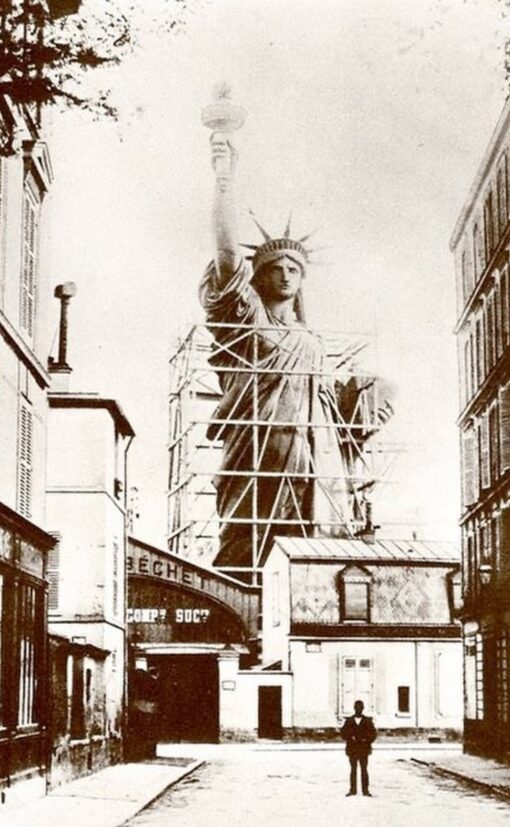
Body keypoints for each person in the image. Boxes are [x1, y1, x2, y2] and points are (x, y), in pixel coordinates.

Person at [199, 128, 363, 573]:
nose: (286, 275)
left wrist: (368, 398)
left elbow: (333, 406)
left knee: (305, 549)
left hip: (309, 453)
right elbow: (227, 251)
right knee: (245, 542)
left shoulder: (310, 339)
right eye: (276, 268)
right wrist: (224, 178)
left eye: (295, 268)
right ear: (260, 275)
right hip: (257, 447)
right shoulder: (249, 316)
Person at [340, 699, 377, 796]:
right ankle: (353, 790)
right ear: (354, 708)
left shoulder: (367, 721)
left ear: (363, 709)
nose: (358, 710)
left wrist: (366, 739)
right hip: (352, 749)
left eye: (360, 708)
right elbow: (343, 733)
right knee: (353, 769)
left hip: (363, 749)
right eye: (357, 708)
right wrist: (350, 737)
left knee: (364, 769)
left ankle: (365, 791)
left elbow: (373, 734)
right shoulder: (349, 721)